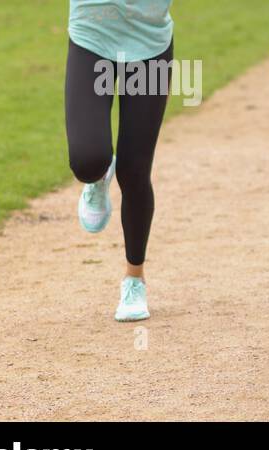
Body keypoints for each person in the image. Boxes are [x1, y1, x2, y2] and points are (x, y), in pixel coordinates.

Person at [66, 0, 174, 322]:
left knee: (135, 171)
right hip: (92, 38)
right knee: (87, 160)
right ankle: (98, 176)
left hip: (149, 45)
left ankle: (134, 279)